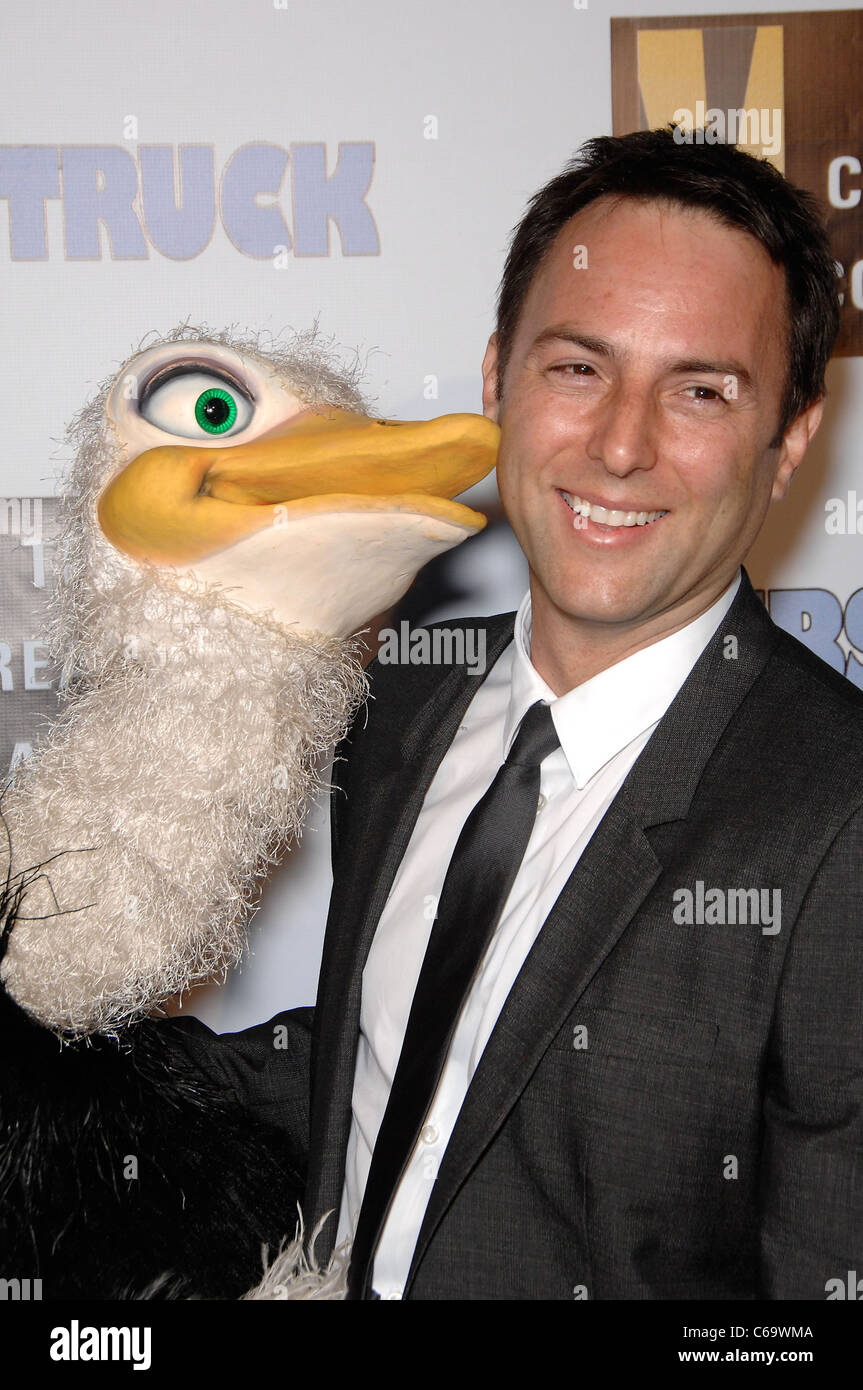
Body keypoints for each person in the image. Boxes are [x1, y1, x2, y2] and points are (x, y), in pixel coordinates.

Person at [297, 126, 863, 1299]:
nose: (617, 446)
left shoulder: (836, 820)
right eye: (576, 368)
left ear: (787, 440)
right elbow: (396, 1082)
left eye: (699, 390)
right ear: (498, 372)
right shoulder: (394, 700)